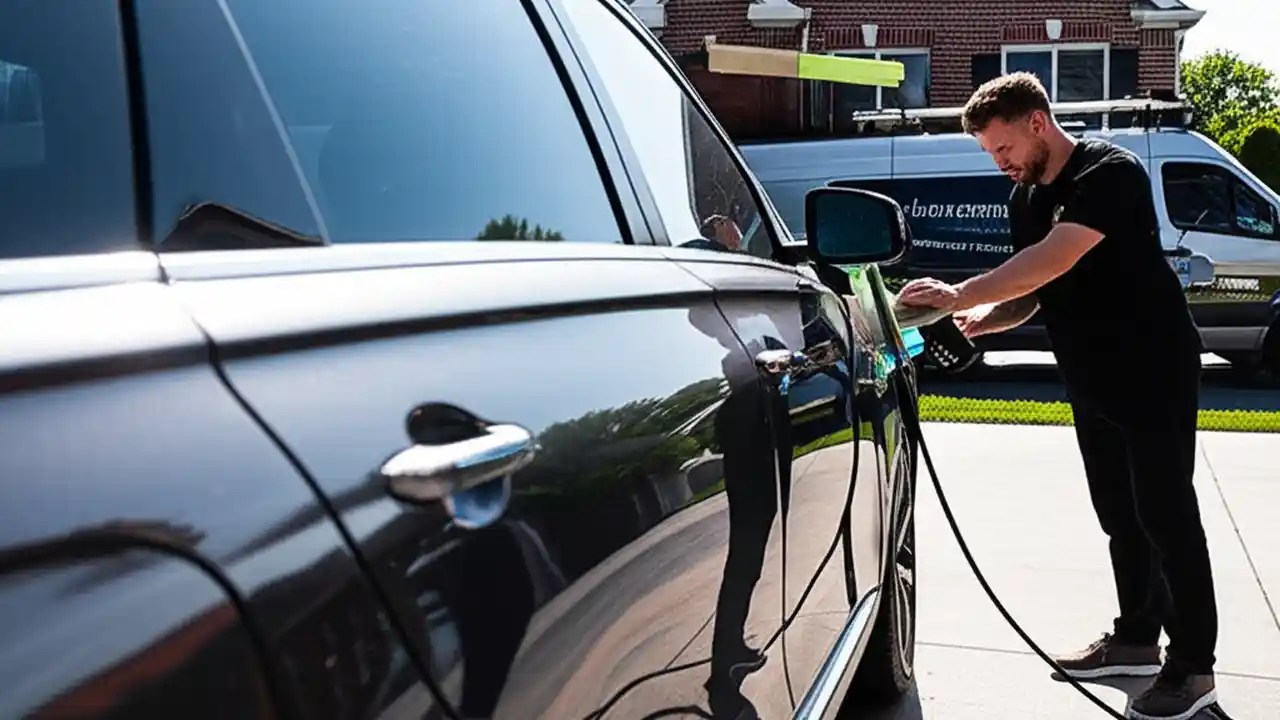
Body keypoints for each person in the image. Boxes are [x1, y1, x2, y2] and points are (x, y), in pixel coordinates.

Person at [898, 73, 1219, 720]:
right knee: (1119, 515)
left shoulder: (1110, 172)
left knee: (1166, 514)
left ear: (1037, 121)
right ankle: (1135, 640)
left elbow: (1059, 254)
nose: (1000, 161)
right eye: (990, 153)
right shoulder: (1025, 197)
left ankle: (1194, 669)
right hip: (1089, 372)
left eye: (1003, 146)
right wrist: (988, 319)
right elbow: (1040, 287)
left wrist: (963, 293)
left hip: (1152, 365)